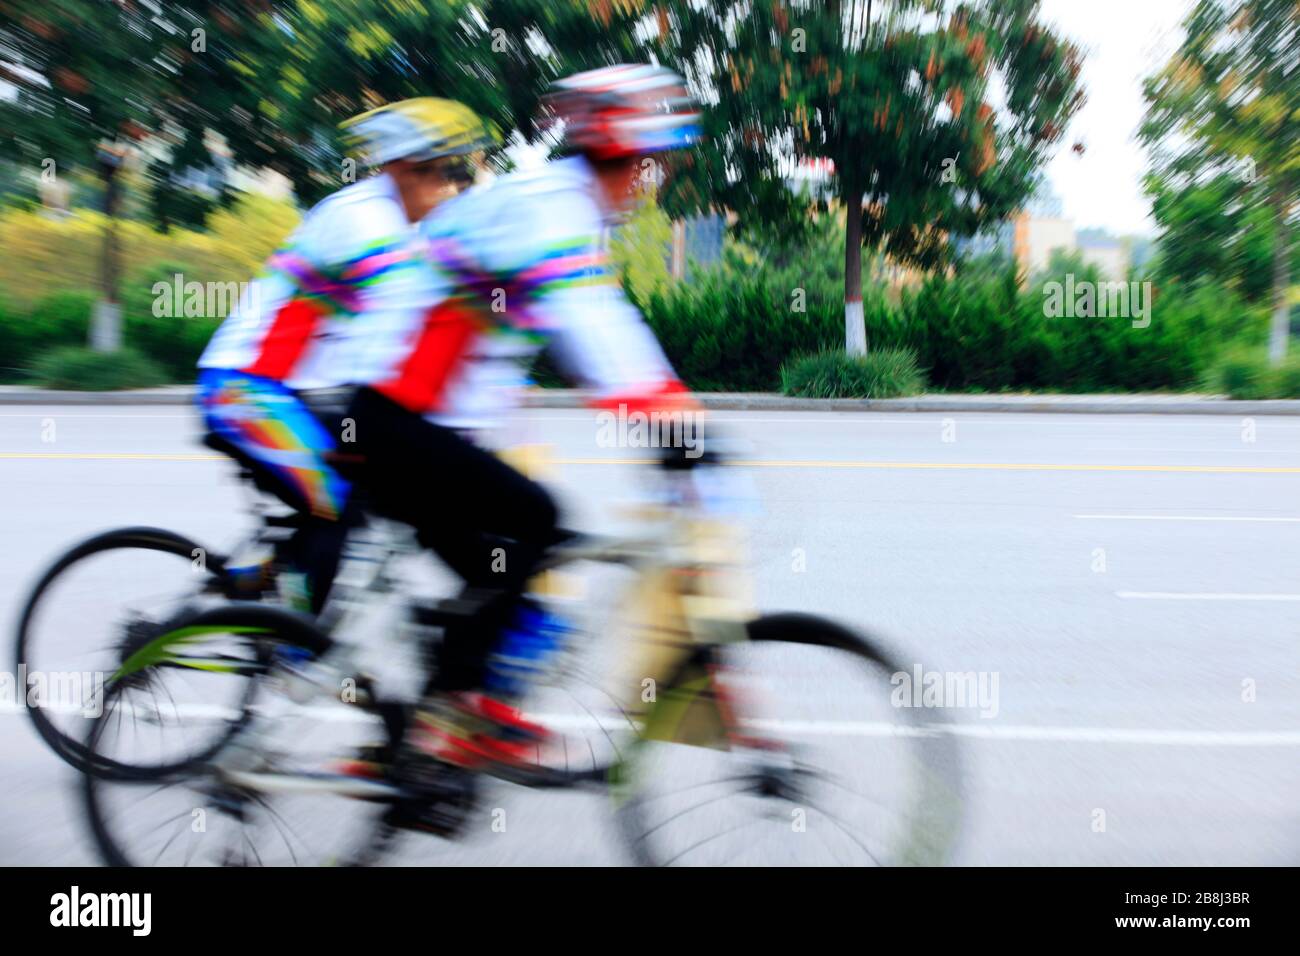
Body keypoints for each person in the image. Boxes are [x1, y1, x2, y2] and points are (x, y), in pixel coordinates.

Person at [320, 65, 702, 819]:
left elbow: (599, 320)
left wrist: (668, 414)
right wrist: (673, 423)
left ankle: (418, 748)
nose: (655, 182)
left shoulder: (562, 207)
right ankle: (459, 720)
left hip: (409, 421)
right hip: (391, 418)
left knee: (494, 576)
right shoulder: (548, 210)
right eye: (655, 165)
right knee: (536, 524)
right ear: (628, 156)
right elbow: (586, 325)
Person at [194, 98, 491, 611]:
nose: (450, 185)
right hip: (244, 390)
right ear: (402, 169)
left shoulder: (396, 224)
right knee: (336, 502)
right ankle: (296, 654)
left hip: (288, 392)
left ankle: (264, 579)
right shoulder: (366, 222)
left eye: (456, 172)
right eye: (443, 171)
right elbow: (395, 337)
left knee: (367, 489)